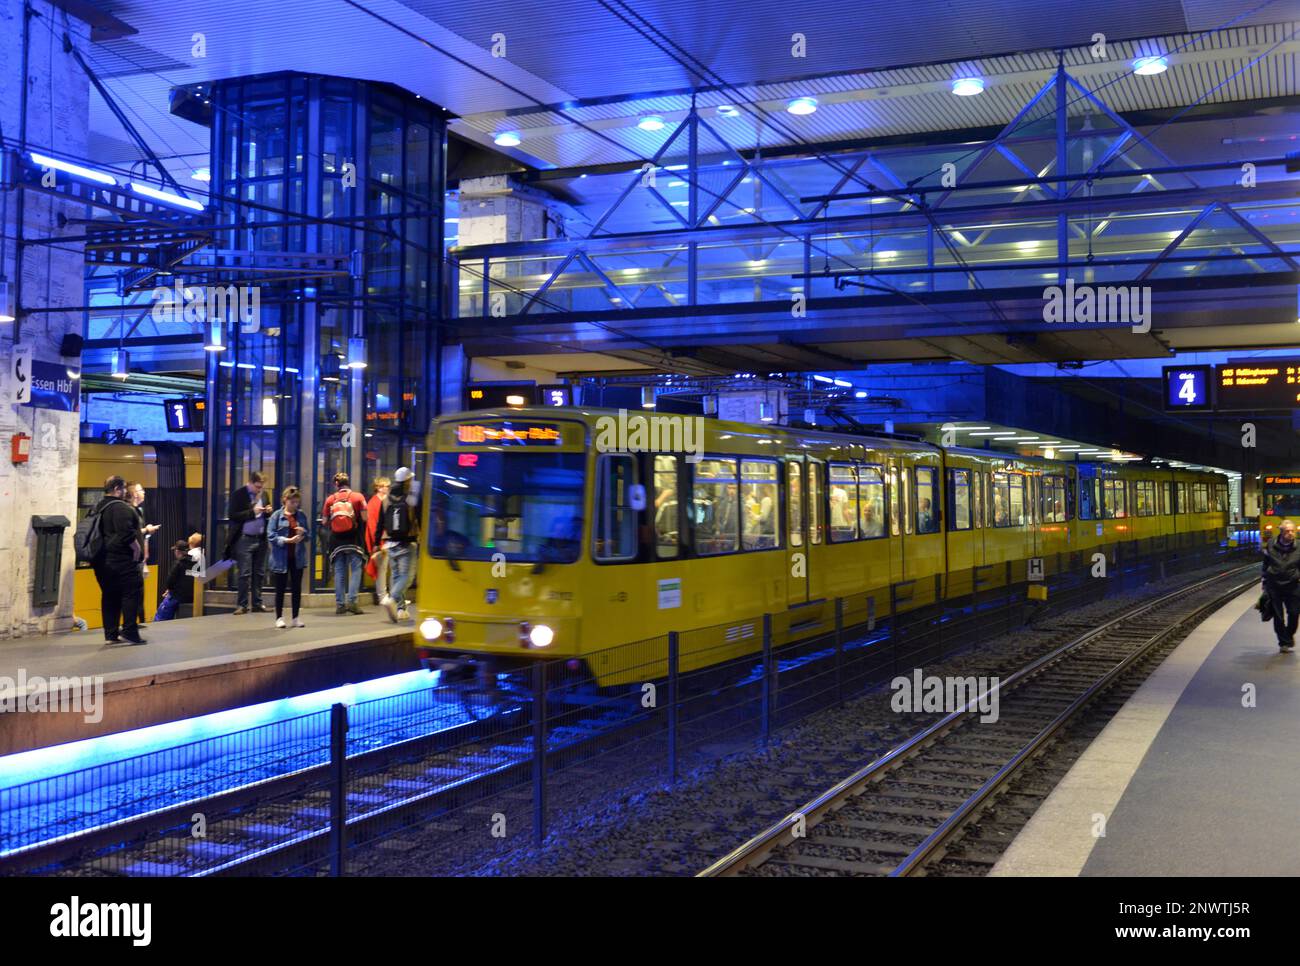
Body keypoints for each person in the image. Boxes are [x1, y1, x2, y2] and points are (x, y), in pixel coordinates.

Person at [89, 476, 147, 645]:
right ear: (116, 489)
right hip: (120, 560)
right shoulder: (120, 508)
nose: (124, 492)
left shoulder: (97, 507)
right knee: (132, 591)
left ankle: (111, 634)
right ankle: (129, 630)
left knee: (109, 595)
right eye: (122, 489)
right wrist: (137, 550)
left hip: (100, 561)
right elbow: (126, 533)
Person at [375, 468, 420, 622]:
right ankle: (392, 599)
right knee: (406, 577)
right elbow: (419, 520)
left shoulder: (386, 499)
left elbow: (380, 523)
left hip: (390, 543)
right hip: (408, 543)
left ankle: (401, 610)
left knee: (395, 576)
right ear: (407, 481)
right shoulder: (411, 498)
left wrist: (376, 543)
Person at [224, 471, 270, 615]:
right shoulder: (238, 495)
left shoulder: (264, 495)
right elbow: (233, 515)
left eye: (261, 487)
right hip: (245, 538)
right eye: (257, 487)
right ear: (249, 483)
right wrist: (252, 512)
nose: (259, 490)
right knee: (244, 573)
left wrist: (267, 511)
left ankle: (257, 603)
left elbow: (266, 512)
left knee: (259, 572)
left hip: (261, 538)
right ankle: (242, 604)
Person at [322, 472, 367, 614]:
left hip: (336, 541)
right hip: (354, 539)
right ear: (349, 482)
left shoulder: (330, 499)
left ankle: (340, 604)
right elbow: (365, 518)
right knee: (355, 571)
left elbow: (324, 521)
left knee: (339, 572)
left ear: (336, 484)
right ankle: (353, 602)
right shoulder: (358, 497)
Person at [268, 486, 310, 628]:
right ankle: (279, 617)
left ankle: (295, 617)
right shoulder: (276, 516)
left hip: (297, 557)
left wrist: (303, 533)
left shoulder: (301, 515)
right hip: (280, 557)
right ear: (285, 500)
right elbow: (271, 536)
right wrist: (287, 540)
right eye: (292, 502)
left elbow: (309, 535)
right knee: (280, 588)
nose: (295, 505)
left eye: (297, 502)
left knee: (296, 588)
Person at [1263, 518, 1300, 651]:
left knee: (1294, 613)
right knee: (1278, 616)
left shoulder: (1299, 546)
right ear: (1281, 532)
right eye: (1287, 531)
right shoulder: (1271, 544)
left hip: (1293, 585)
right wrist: (1264, 582)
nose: (1290, 533)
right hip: (1274, 585)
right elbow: (1265, 563)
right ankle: (1283, 643)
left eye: (1292, 531)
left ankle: (1288, 636)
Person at [126, 482, 161, 624]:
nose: (144, 492)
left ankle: (139, 622)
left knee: (139, 593)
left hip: (138, 560)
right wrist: (147, 530)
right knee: (134, 593)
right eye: (141, 490)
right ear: (134, 493)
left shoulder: (138, 510)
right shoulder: (130, 511)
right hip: (131, 560)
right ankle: (133, 624)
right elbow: (130, 533)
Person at [365, 476, 391, 604]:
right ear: (379, 488)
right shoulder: (374, 503)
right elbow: (373, 525)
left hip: (384, 540)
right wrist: (378, 543)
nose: (388, 489)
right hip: (381, 541)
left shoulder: (381, 502)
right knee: (382, 569)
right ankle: (382, 596)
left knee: (384, 568)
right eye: (386, 486)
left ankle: (385, 595)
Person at [154, 541, 192, 622]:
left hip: (177, 596)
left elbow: (169, 582)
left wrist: (169, 590)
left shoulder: (178, 563)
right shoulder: (195, 563)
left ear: (178, 552)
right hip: (191, 597)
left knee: (160, 615)